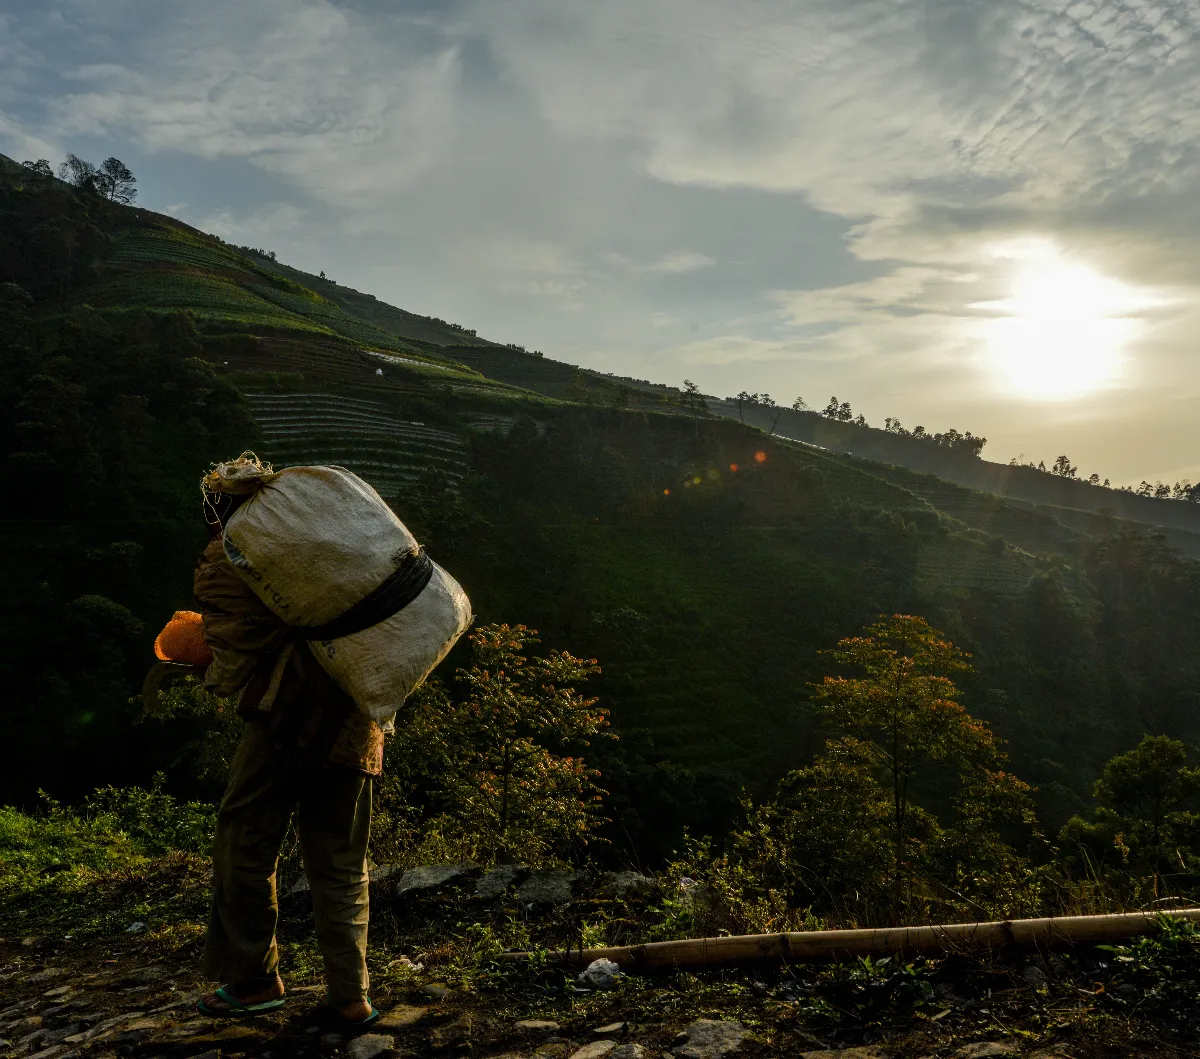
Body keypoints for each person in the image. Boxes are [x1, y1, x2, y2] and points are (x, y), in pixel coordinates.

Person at [194, 490, 384, 1025]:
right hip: (356, 719)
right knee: (342, 861)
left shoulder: (241, 555)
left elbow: (232, 652)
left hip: (286, 713)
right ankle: (351, 997)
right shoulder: (335, 552)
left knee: (245, 839)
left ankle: (254, 979)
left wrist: (211, 672)